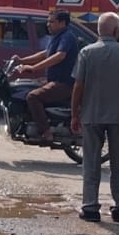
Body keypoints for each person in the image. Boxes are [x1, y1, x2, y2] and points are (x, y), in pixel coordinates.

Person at [70, 12, 119, 223]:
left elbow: (78, 86)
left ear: (99, 30)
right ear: (117, 31)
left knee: (91, 161)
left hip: (92, 115)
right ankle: (118, 207)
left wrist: (75, 114)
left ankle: (90, 207)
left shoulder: (86, 53)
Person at [15, 9, 78, 142]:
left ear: (62, 23)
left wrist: (33, 68)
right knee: (25, 87)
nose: (48, 25)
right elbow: (45, 53)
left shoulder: (67, 36)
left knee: (32, 97)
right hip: (54, 80)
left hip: (64, 83)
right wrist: (22, 60)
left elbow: (59, 56)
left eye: (51, 22)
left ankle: (46, 131)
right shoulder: (57, 36)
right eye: (48, 22)